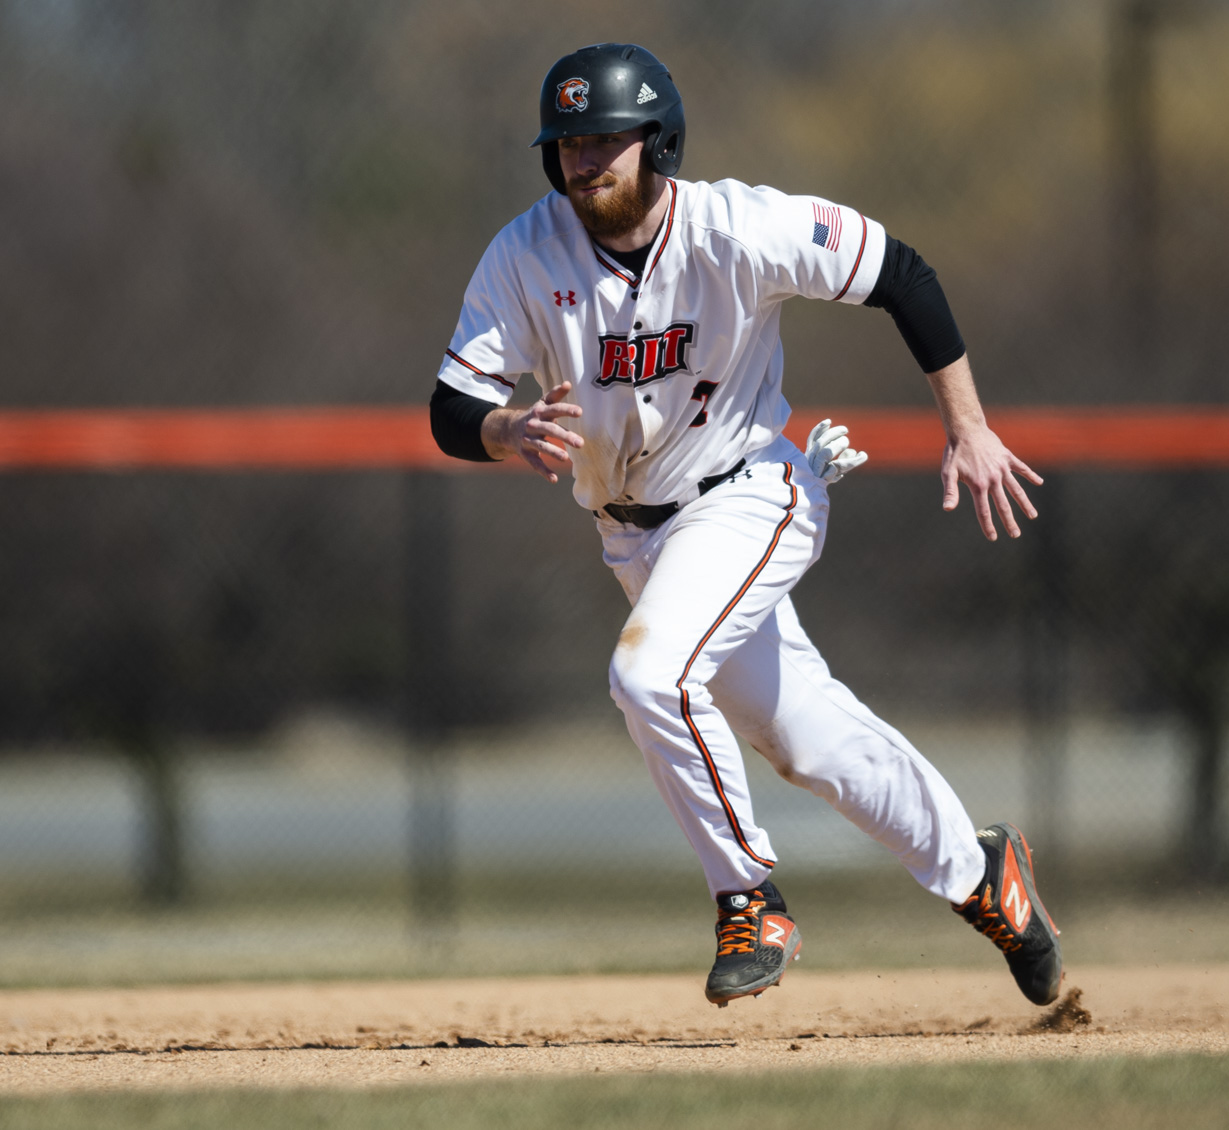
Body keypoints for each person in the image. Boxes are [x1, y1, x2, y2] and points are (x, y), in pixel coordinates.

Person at [428, 43, 1063, 1008]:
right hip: (633, 536)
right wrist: (503, 423)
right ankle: (987, 878)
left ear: (659, 140)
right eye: (567, 142)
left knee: (648, 675)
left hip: (749, 491)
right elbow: (449, 407)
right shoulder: (526, 253)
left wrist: (967, 426)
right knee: (809, 741)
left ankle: (749, 897)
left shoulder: (737, 227)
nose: (585, 159)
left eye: (606, 138)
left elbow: (903, 271)